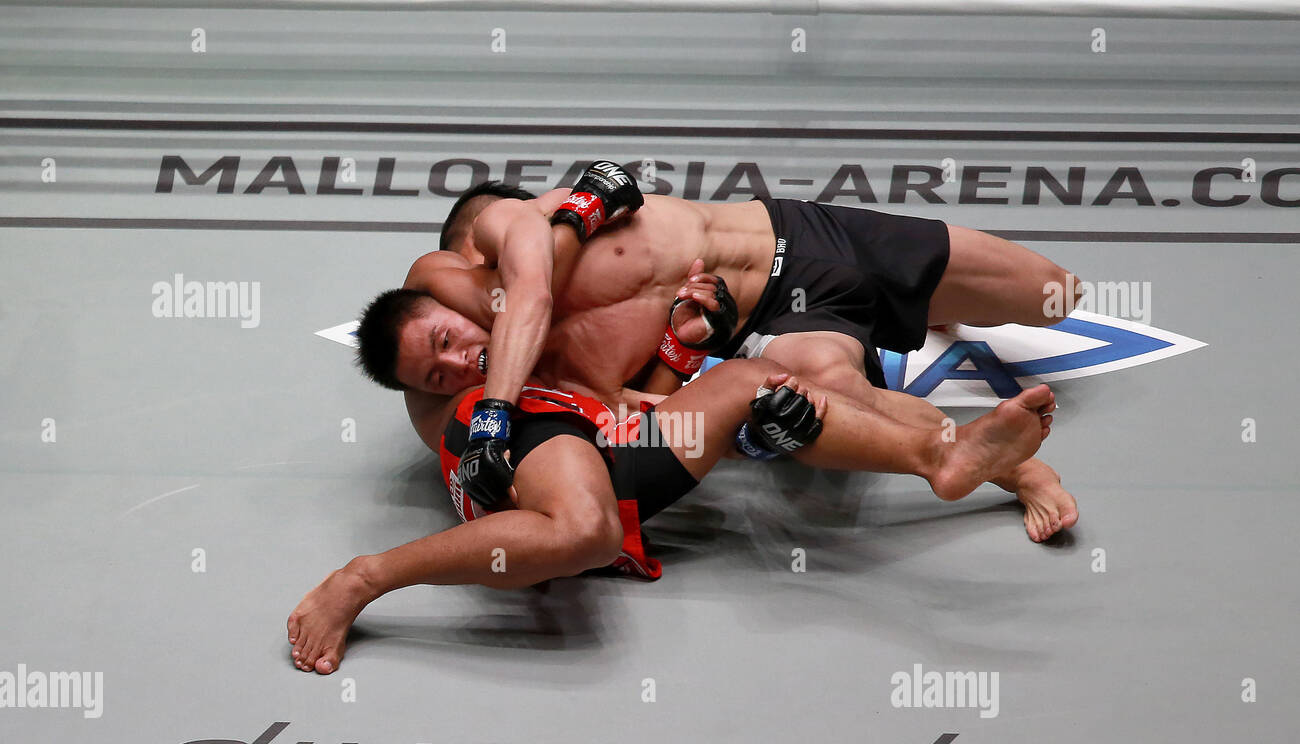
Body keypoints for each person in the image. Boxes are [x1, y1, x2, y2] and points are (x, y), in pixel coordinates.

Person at [359, 165, 1078, 540]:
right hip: (787, 315)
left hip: (806, 236)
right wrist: (682, 345)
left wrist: (492, 415)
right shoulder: (559, 373)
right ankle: (1006, 468)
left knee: (1057, 295)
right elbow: (661, 409)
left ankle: (932, 310)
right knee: (827, 386)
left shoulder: (520, 236)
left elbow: (530, 292)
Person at [287, 351, 1057, 673]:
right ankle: (366, 578)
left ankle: (947, 459)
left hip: (598, 437)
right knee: (583, 532)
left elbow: (624, 385)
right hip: (524, 434)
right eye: (435, 355)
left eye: (453, 342)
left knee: (762, 381)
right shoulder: (470, 337)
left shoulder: (560, 319)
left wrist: (682, 364)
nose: (456, 355)